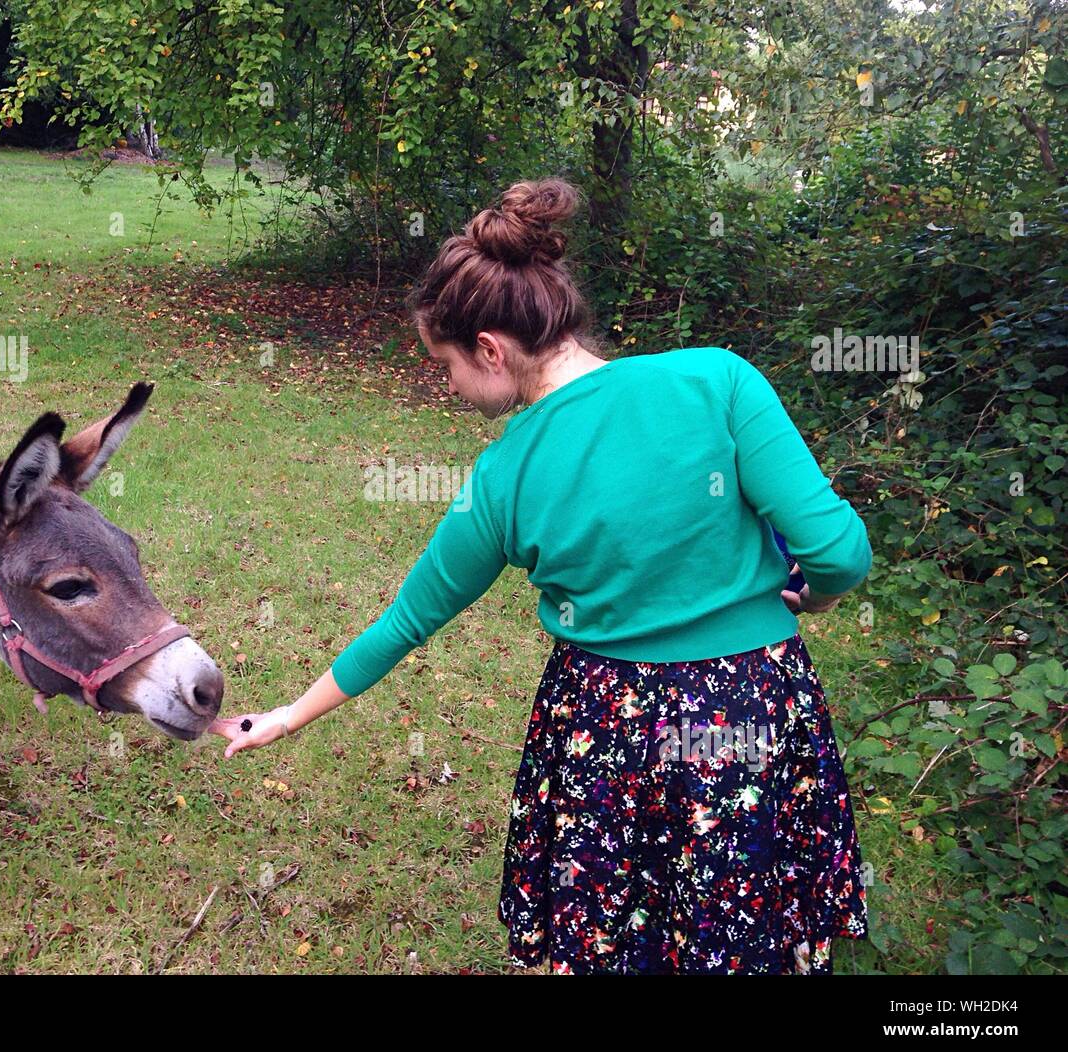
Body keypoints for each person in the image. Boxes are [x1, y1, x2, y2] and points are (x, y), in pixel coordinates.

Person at [209, 177, 873, 974]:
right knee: (744, 919)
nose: (448, 387)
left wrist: (288, 714)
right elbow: (839, 554)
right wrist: (818, 596)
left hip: (605, 730)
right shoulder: (719, 381)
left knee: (615, 932)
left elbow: (408, 620)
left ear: (491, 347)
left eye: (446, 366)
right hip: (748, 710)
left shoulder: (504, 476)